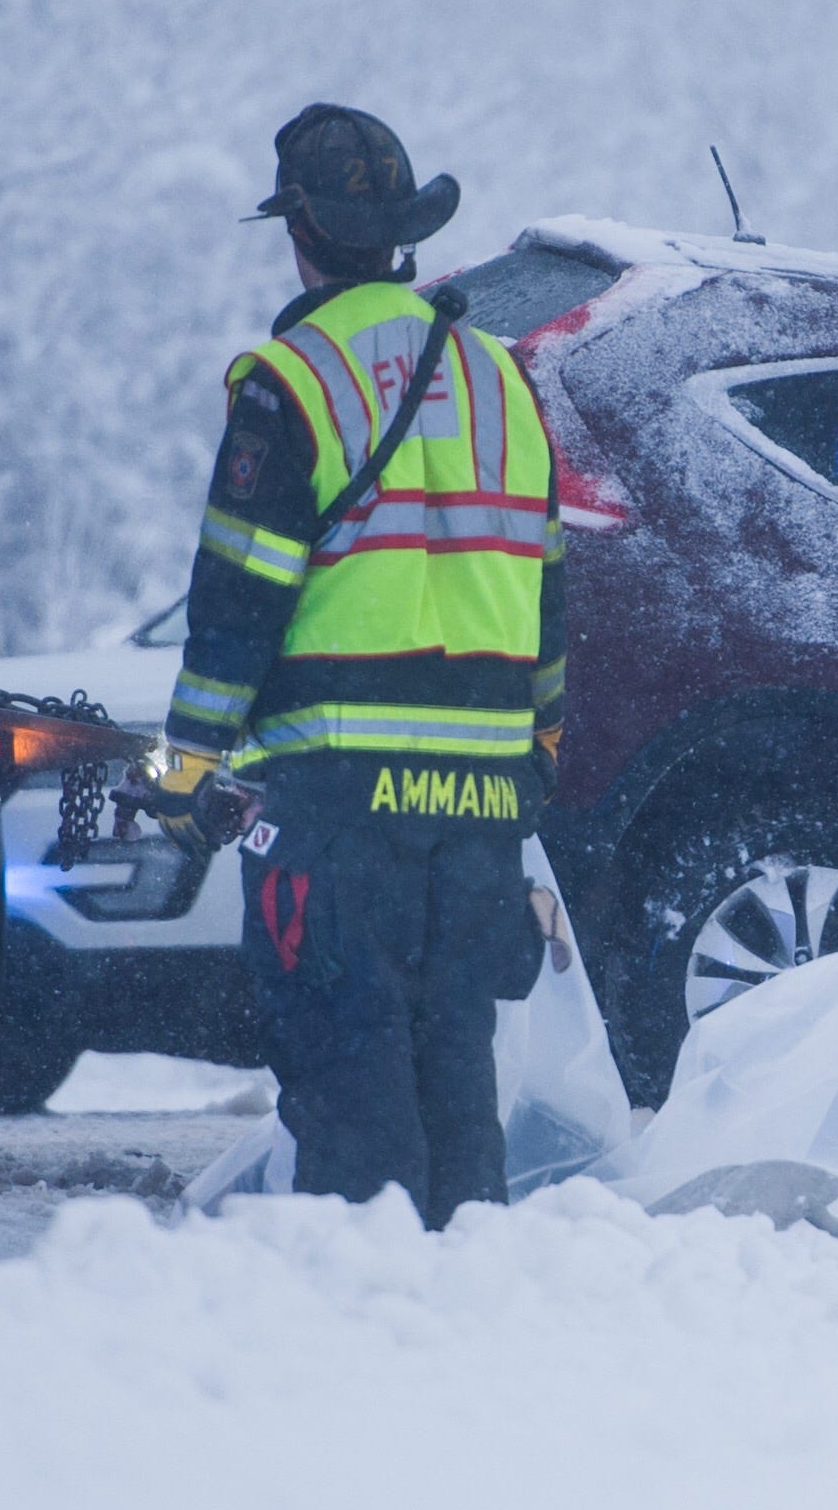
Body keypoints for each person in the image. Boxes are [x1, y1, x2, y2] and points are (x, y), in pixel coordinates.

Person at [142, 103, 565, 1227]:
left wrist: (181, 770)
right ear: (405, 234)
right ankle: (468, 1285)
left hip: (338, 810)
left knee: (350, 1079)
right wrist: (534, 760)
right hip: (479, 809)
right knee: (456, 1073)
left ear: (300, 233)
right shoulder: (503, 381)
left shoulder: (291, 381)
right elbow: (548, 596)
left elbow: (236, 605)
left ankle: (363, 1301)